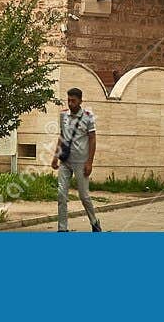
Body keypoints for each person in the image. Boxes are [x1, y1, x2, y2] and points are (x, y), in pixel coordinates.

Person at [54, 87, 102, 232]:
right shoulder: (63, 115)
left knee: (84, 196)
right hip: (65, 161)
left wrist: (90, 162)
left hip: (81, 162)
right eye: (68, 100)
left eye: (73, 101)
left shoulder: (88, 116)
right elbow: (61, 136)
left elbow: (92, 139)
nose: (70, 103)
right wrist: (55, 157)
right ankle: (62, 228)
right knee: (61, 194)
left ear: (80, 101)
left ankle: (94, 222)